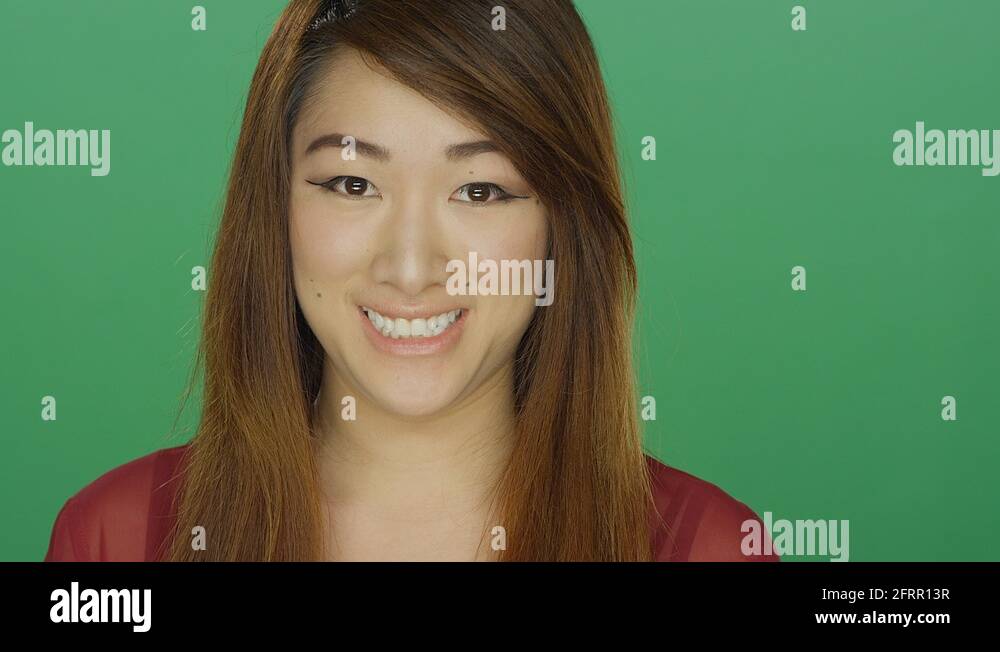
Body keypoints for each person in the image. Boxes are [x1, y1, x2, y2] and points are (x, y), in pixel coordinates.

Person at [44, 0, 777, 562]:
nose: (412, 267)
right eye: (353, 184)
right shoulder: (117, 540)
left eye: (481, 191)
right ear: (276, 205)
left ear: (564, 227)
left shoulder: (708, 547)